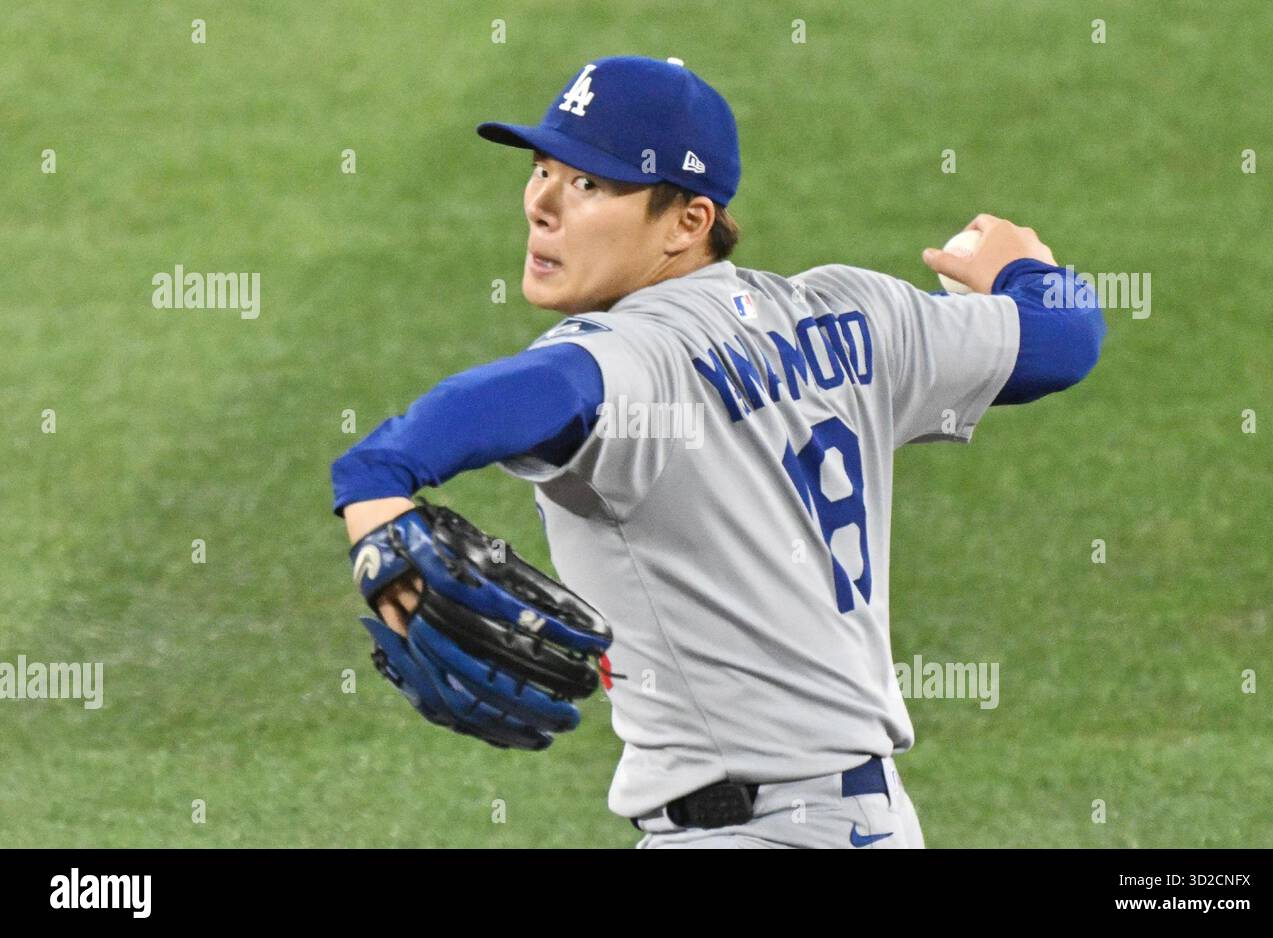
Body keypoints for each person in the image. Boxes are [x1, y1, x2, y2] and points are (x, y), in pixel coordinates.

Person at [331, 55, 1106, 848]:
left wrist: (375, 480)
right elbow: (1065, 338)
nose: (542, 205)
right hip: (867, 823)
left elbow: (519, 395)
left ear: (688, 222)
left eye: (591, 184)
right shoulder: (858, 315)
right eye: (542, 169)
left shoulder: (634, 355)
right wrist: (1022, 268)